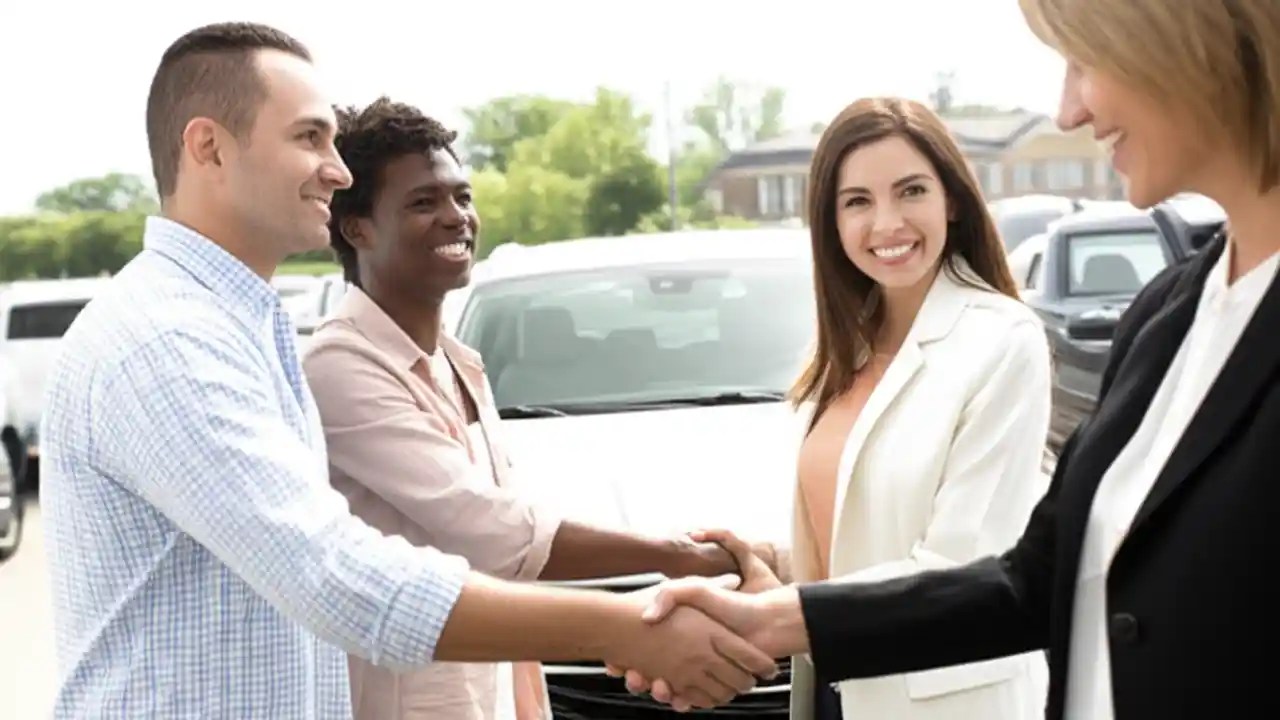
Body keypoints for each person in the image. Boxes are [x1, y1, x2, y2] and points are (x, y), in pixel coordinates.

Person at [37, 22, 776, 718]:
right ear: (209, 149)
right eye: (309, 138)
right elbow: (333, 574)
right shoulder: (166, 340)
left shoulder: (235, 327)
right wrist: (625, 627)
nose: (334, 167)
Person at [618, 1, 1280, 718]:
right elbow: (1035, 580)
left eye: (1083, 62)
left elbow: (972, 563)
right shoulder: (1167, 314)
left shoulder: (1005, 337)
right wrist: (771, 606)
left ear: (1194, 43)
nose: (1066, 112)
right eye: (856, 202)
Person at [301, 96, 780, 720]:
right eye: (424, 202)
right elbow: (496, 533)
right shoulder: (339, 366)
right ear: (355, 227)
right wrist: (682, 557)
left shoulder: (459, 361)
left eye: (462, 197)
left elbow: (507, 572)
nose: (456, 218)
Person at [618, 97, 1055, 720]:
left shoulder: (1002, 340)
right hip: (835, 684)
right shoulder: (843, 349)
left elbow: (959, 567)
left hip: (944, 696)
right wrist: (767, 567)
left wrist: (763, 619)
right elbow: (853, 542)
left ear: (952, 200)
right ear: (831, 220)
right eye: (858, 201)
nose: (887, 224)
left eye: (910, 191)